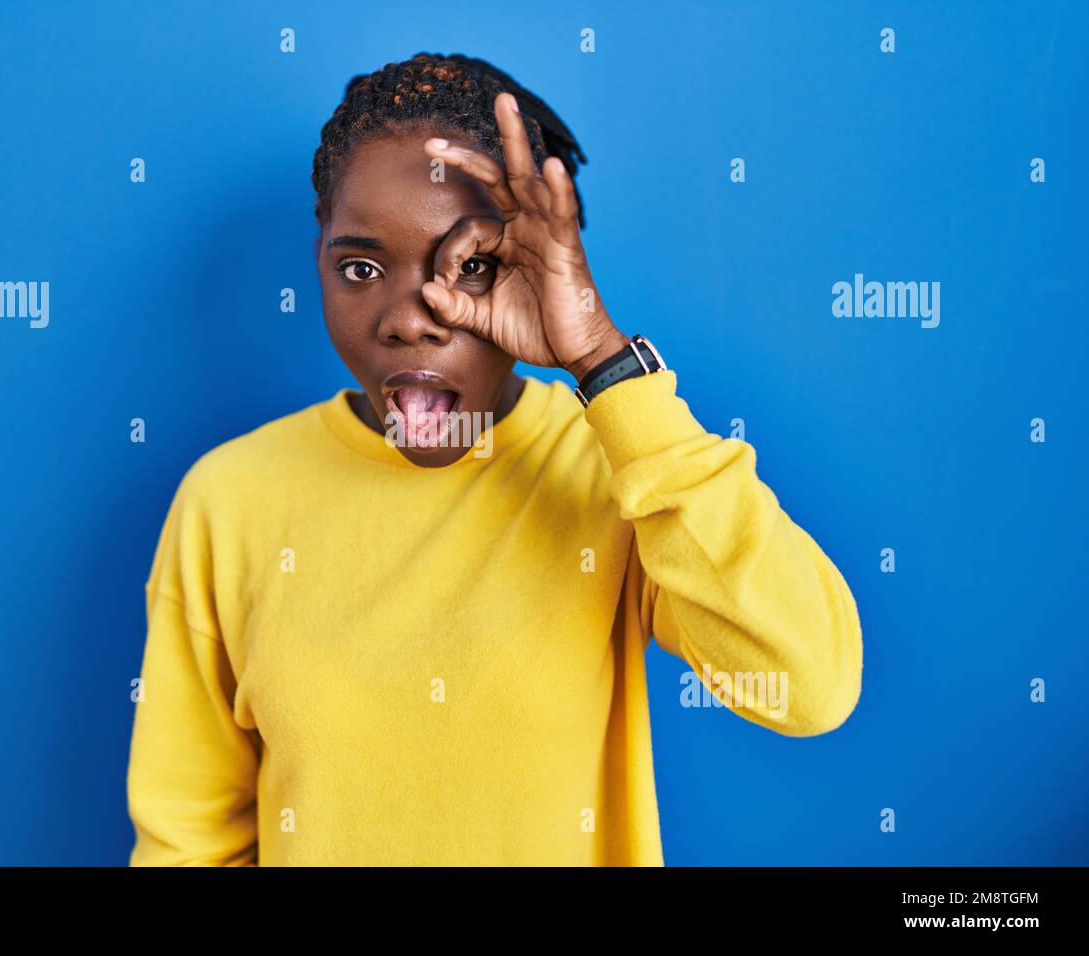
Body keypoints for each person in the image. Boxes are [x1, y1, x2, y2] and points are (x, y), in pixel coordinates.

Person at [126, 52, 862, 866]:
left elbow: (811, 684)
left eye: (470, 265)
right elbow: (187, 842)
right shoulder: (230, 501)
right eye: (361, 268)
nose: (411, 319)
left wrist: (604, 364)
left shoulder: (618, 472)